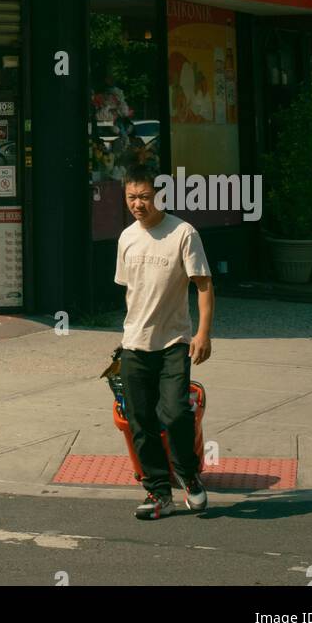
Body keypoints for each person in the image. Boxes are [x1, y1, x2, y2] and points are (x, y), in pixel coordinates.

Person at [115, 166, 214, 520]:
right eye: (131, 197)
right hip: (134, 344)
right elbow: (130, 290)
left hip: (173, 343)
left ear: (161, 195)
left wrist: (203, 333)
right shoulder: (127, 237)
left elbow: (203, 284)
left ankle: (188, 475)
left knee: (173, 413)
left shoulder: (183, 233)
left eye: (144, 196)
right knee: (140, 422)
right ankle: (159, 493)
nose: (137, 204)